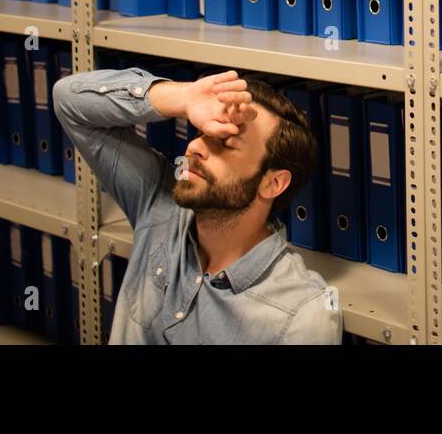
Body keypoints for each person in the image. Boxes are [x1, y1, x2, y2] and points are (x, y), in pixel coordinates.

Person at [53, 66, 343, 344]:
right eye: (203, 132)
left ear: (273, 183)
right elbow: (68, 99)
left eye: (226, 143)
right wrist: (184, 97)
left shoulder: (303, 315)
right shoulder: (160, 207)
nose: (194, 147)